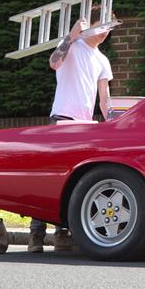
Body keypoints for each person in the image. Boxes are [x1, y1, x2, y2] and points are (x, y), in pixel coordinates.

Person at [27, 15, 114, 253]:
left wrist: (113, 123)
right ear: (89, 26)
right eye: (102, 25)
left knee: (72, 180)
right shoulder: (72, 46)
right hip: (63, 119)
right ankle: (36, 234)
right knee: (50, 178)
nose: (106, 31)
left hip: (85, 125)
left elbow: (105, 99)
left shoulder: (102, 60)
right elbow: (54, 63)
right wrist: (71, 36)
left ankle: (62, 234)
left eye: (109, 27)